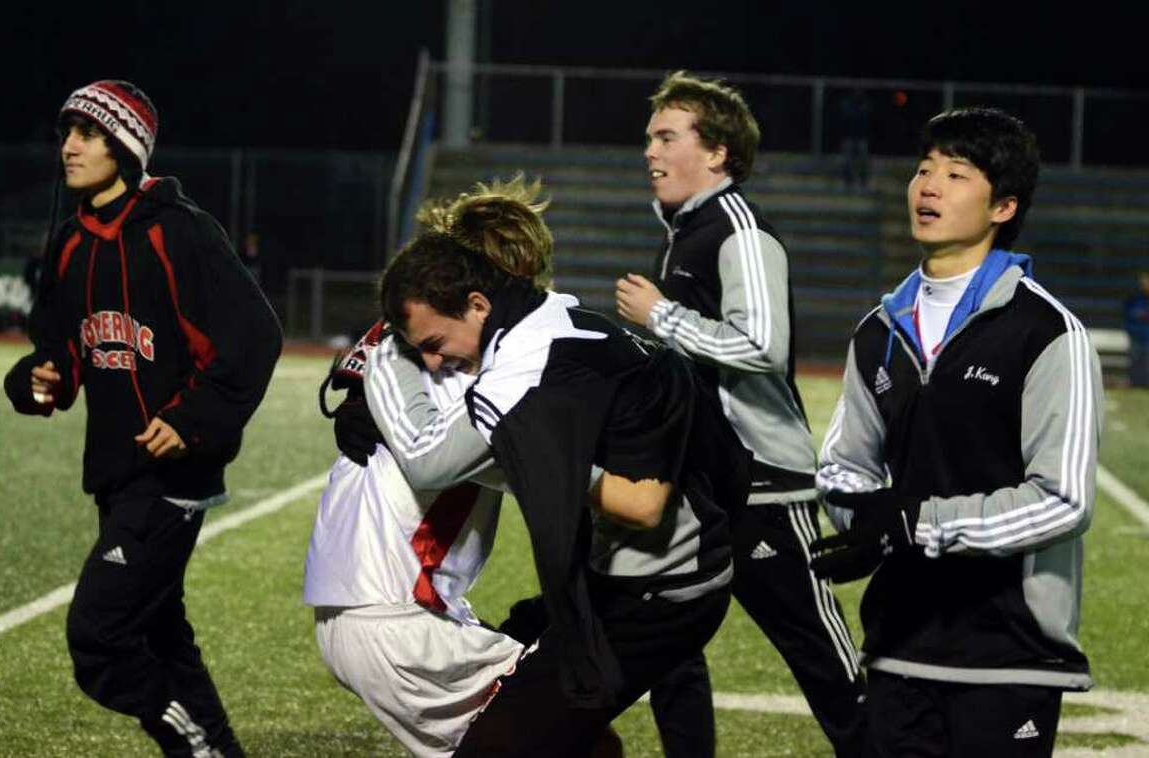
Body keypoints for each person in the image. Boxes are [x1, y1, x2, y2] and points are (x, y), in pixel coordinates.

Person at [375, 179, 753, 757]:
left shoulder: (527, 371)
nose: (433, 358)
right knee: (525, 705)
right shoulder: (562, 322)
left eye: (431, 341)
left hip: (660, 590)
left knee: (498, 745)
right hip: (643, 572)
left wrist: (380, 356)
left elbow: (429, 461)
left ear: (479, 295)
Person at [2, 80, 282, 757]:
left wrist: (191, 418)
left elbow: (253, 338)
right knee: (160, 632)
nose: (70, 146)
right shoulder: (70, 243)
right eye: (67, 131)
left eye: (89, 133)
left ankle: (192, 744)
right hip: (117, 473)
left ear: (124, 147)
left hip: (174, 474)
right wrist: (41, 380)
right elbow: (62, 347)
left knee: (98, 635)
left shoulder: (179, 231)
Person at [812, 107, 1102, 757]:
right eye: (923, 170)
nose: (928, 186)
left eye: (955, 173)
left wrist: (915, 524)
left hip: (1008, 653)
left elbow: (1064, 498)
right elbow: (842, 468)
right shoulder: (877, 333)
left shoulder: (1049, 333)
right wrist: (863, 518)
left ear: (1003, 206)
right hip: (898, 644)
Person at [306, 178, 630, 757]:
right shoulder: (489, 369)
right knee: (588, 743)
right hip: (394, 615)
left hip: (375, 609)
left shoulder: (412, 350)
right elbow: (537, 470)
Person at [614, 70, 865, 757]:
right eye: (649, 138)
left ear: (718, 151)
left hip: (761, 481)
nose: (650, 151)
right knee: (667, 644)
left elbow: (760, 345)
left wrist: (659, 316)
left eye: (667, 136)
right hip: (693, 483)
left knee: (819, 653)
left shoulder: (740, 229)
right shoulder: (683, 232)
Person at [1124, 270, 1149, 387]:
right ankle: (1135, 384)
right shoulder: (1134, 298)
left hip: (1147, 337)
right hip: (1136, 336)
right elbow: (1127, 316)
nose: (1144, 284)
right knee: (1135, 362)